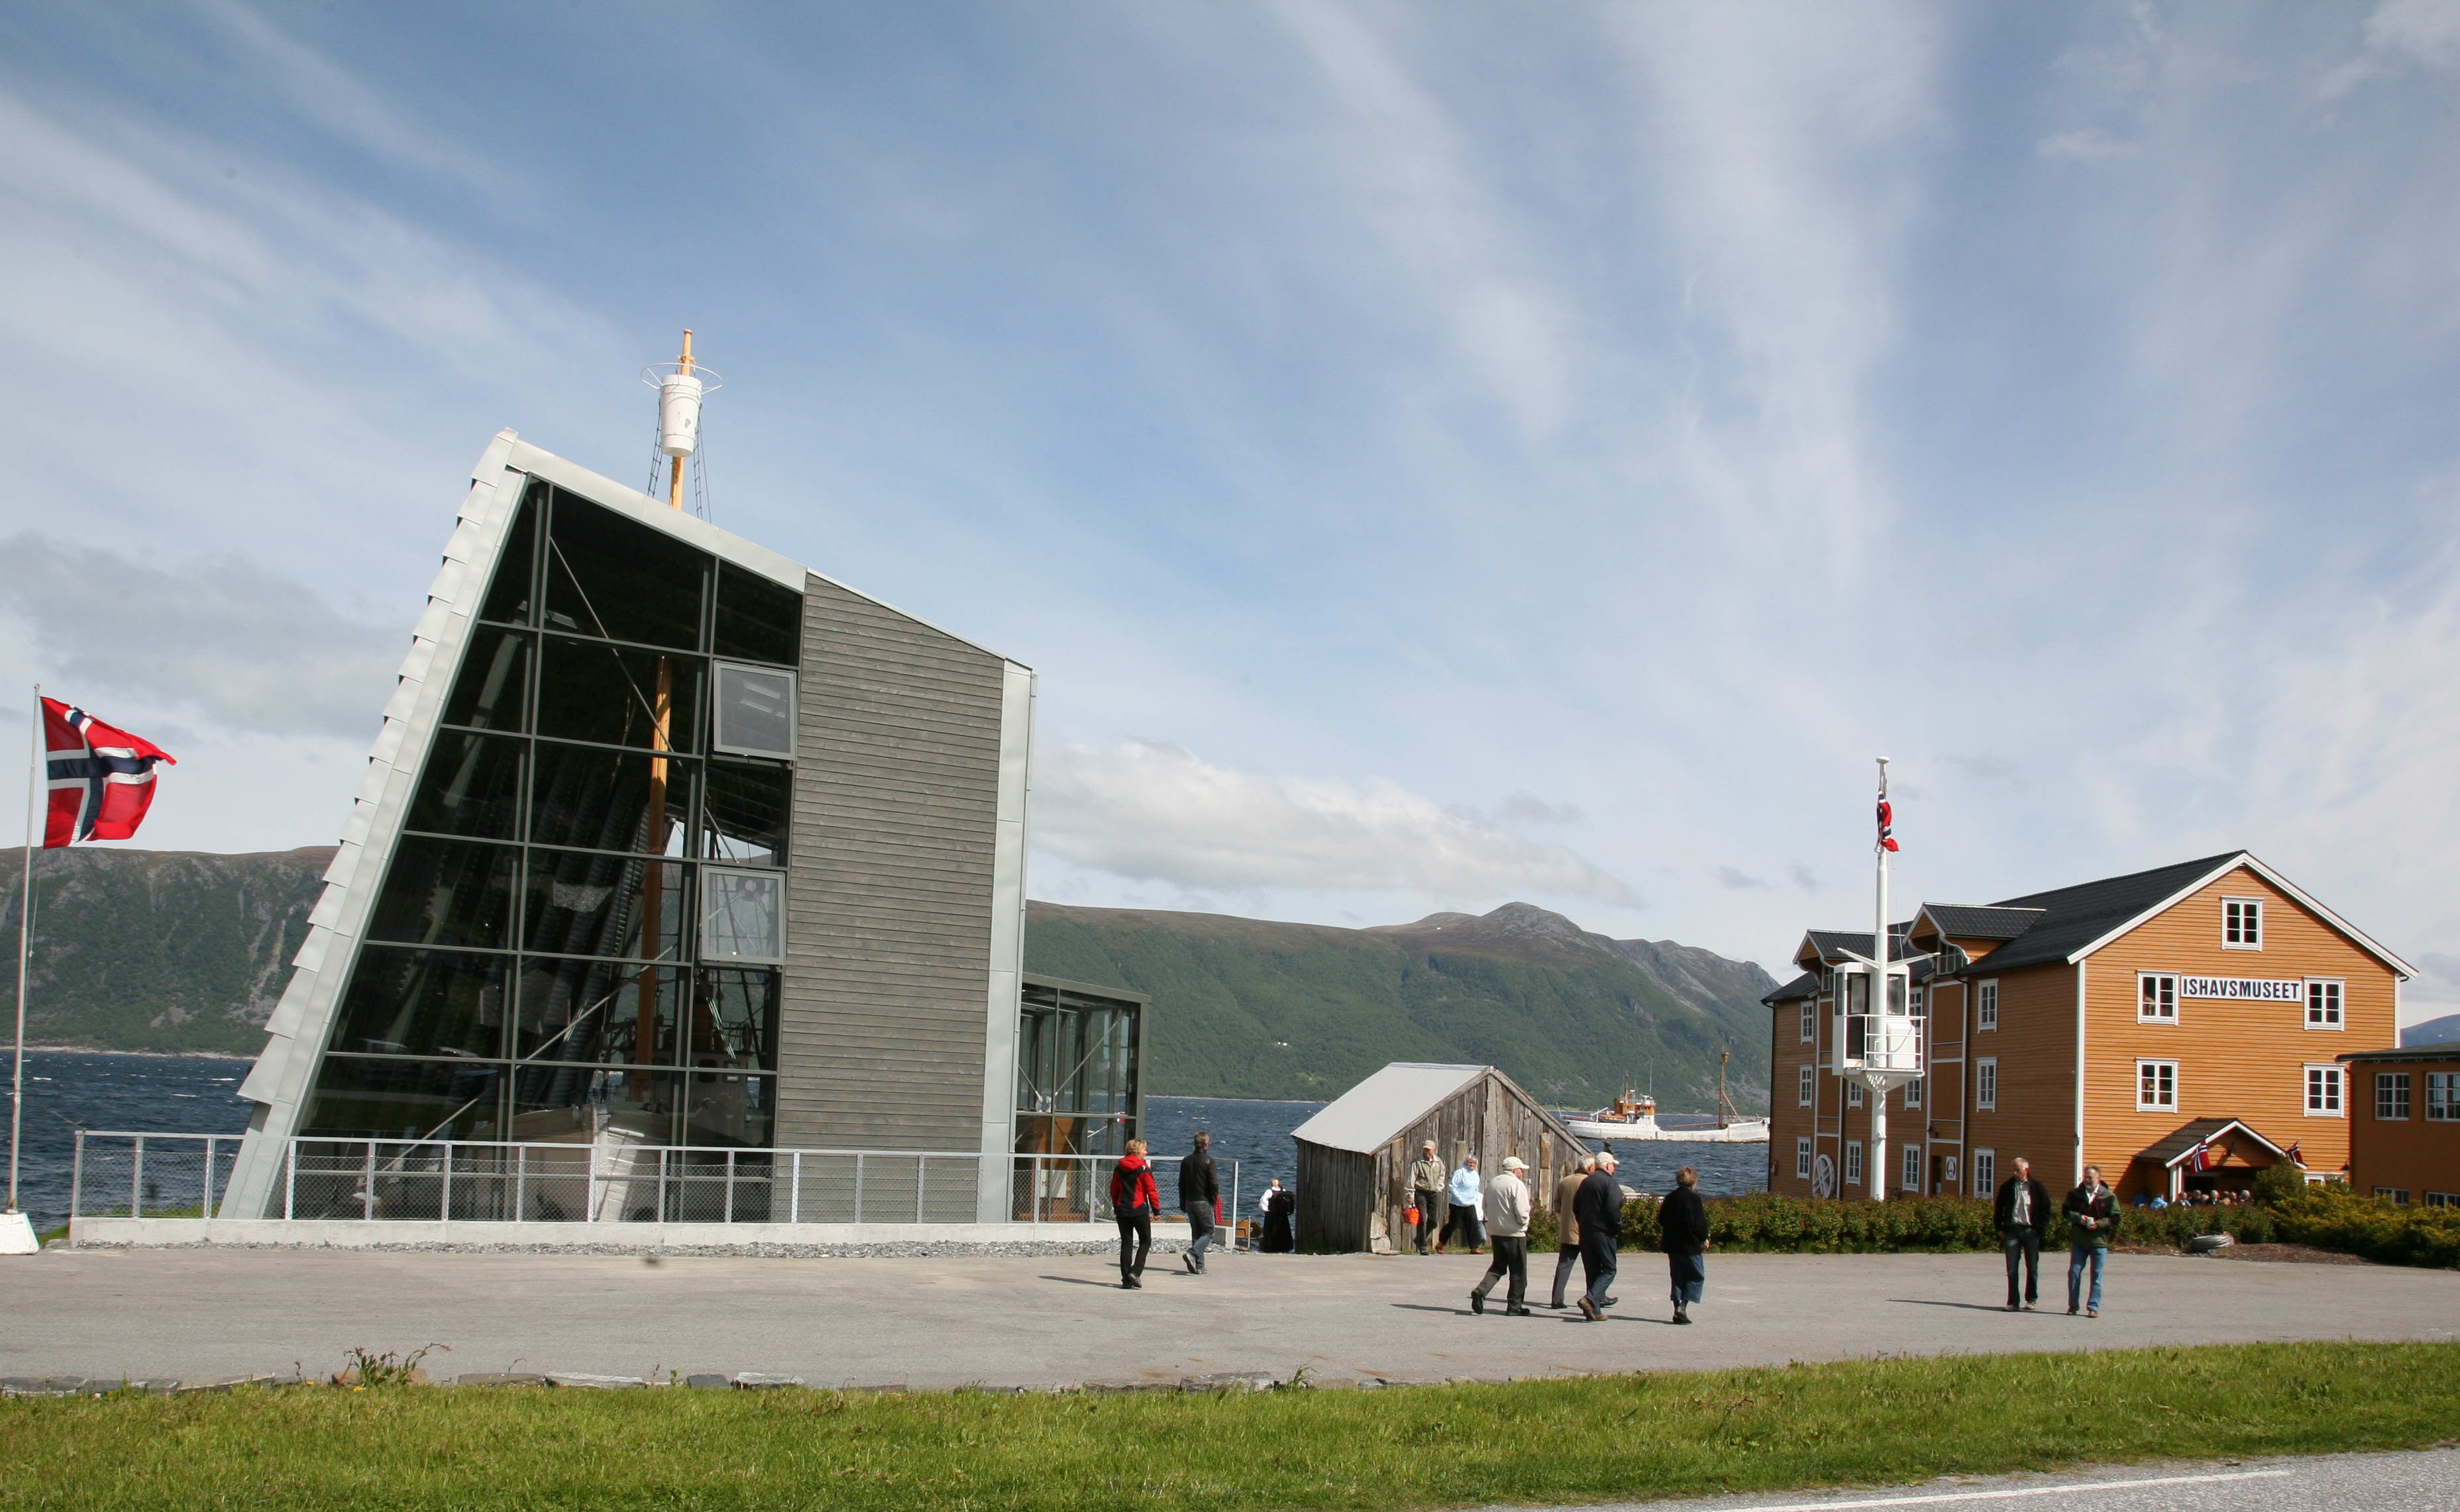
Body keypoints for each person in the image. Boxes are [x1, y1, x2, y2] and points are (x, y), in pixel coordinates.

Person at [1470, 1156, 1534, 1316]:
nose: (1522, 1173)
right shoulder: (1516, 1185)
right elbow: (1522, 1210)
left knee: (1498, 1266)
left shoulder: (1493, 1183)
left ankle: (1481, 1290)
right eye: (1521, 1170)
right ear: (1514, 1170)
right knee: (1519, 1271)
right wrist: (1523, 1224)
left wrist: (1493, 1222)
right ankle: (1515, 1306)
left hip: (1497, 1232)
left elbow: (1484, 1206)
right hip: (1515, 1233)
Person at [1994, 1156, 2051, 1311]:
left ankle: (2031, 1299)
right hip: (2013, 1230)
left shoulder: (2037, 1187)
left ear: (2026, 1169)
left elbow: (2046, 1210)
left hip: (2031, 1231)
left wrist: (2038, 1228)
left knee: (2032, 1267)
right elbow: (1999, 1209)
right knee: (2012, 1269)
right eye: (2013, 1170)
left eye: (2018, 1170)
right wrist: (2000, 1228)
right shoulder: (2007, 1187)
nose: (2015, 1173)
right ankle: (2013, 1302)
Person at [1572, 1152, 1622, 1321]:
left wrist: (1583, 1222)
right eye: (1613, 1165)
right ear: (1608, 1166)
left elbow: (1576, 1206)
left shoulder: (1586, 1181)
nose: (1614, 1169)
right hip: (1603, 1232)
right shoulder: (1609, 1182)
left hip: (1586, 1231)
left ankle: (1595, 1310)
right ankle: (1590, 1299)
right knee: (1609, 1269)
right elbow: (1614, 1208)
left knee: (1592, 1270)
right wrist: (1617, 1226)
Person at [2063, 1164, 2117, 1317]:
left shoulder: (2109, 1196)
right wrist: (2078, 1218)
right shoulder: (2075, 1194)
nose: (2087, 1180)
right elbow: (2065, 1211)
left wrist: (2099, 1224)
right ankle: (2073, 1306)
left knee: (2097, 1274)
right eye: (2086, 1177)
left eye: (2090, 1177)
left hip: (2099, 1241)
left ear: (2098, 1179)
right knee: (2074, 1272)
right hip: (2080, 1240)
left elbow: (2115, 1218)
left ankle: (2093, 1307)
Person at [1660, 1165, 1711, 1324]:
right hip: (1690, 1244)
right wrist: (1704, 1237)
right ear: (1693, 1182)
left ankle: (1677, 1310)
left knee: (1677, 1277)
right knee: (1696, 1276)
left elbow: (1661, 1219)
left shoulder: (1670, 1197)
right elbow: (1699, 1224)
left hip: (1672, 1243)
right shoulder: (1694, 1199)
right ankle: (1683, 1306)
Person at [1110, 1140, 1159, 1289]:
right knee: (1146, 1240)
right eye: (1145, 1149)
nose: (1146, 1152)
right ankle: (1136, 1272)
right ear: (1138, 1151)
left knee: (1127, 1243)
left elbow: (1114, 1190)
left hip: (1122, 1209)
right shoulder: (1143, 1168)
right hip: (1138, 1209)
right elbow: (1151, 1190)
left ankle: (1126, 1280)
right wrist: (1156, 1210)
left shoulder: (1119, 1167)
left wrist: (1116, 1205)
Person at [1550, 1153, 1596, 1309]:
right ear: (1590, 1168)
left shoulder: (1565, 1181)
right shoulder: (1590, 1182)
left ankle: (1557, 1298)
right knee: (1592, 1266)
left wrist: (1563, 1218)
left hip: (1567, 1228)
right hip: (1587, 1230)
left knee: (1564, 1265)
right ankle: (1594, 1296)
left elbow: (1557, 1204)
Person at [1179, 1130, 1220, 1275]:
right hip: (1203, 1200)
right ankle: (1193, 1253)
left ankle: (1200, 1265)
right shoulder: (1209, 1161)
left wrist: (1182, 1201)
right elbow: (1214, 1183)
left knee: (1197, 1234)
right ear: (1206, 1145)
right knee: (1209, 1232)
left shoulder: (1186, 1160)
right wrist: (1214, 1199)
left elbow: (1181, 1183)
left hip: (1190, 1200)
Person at [1409, 1141, 1446, 1256]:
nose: (1427, 1152)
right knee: (1423, 1219)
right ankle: (1423, 1246)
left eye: (1429, 1150)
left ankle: (1419, 1239)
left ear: (1434, 1150)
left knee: (1433, 1221)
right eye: (1426, 1149)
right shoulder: (1417, 1162)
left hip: (1433, 1193)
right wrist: (1410, 1195)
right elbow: (1411, 1178)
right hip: (1421, 1192)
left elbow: (1442, 1175)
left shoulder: (1438, 1162)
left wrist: (1440, 1187)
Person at [1442, 1154, 1485, 1254]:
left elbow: (1476, 1188)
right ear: (1466, 1163)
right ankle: (1441, 1243)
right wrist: (1460, 1199)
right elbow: (1452, 1186)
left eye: (1474, 1163)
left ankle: (1473, 1248)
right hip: (1457, 1204)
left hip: (1470, 1204)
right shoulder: (1460, 1172)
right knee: (1453, 1225)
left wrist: (1474, 1199)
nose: (1472, 1164)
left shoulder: (1475, 1174)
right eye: (1470, 1162)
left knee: (1473, 1224)